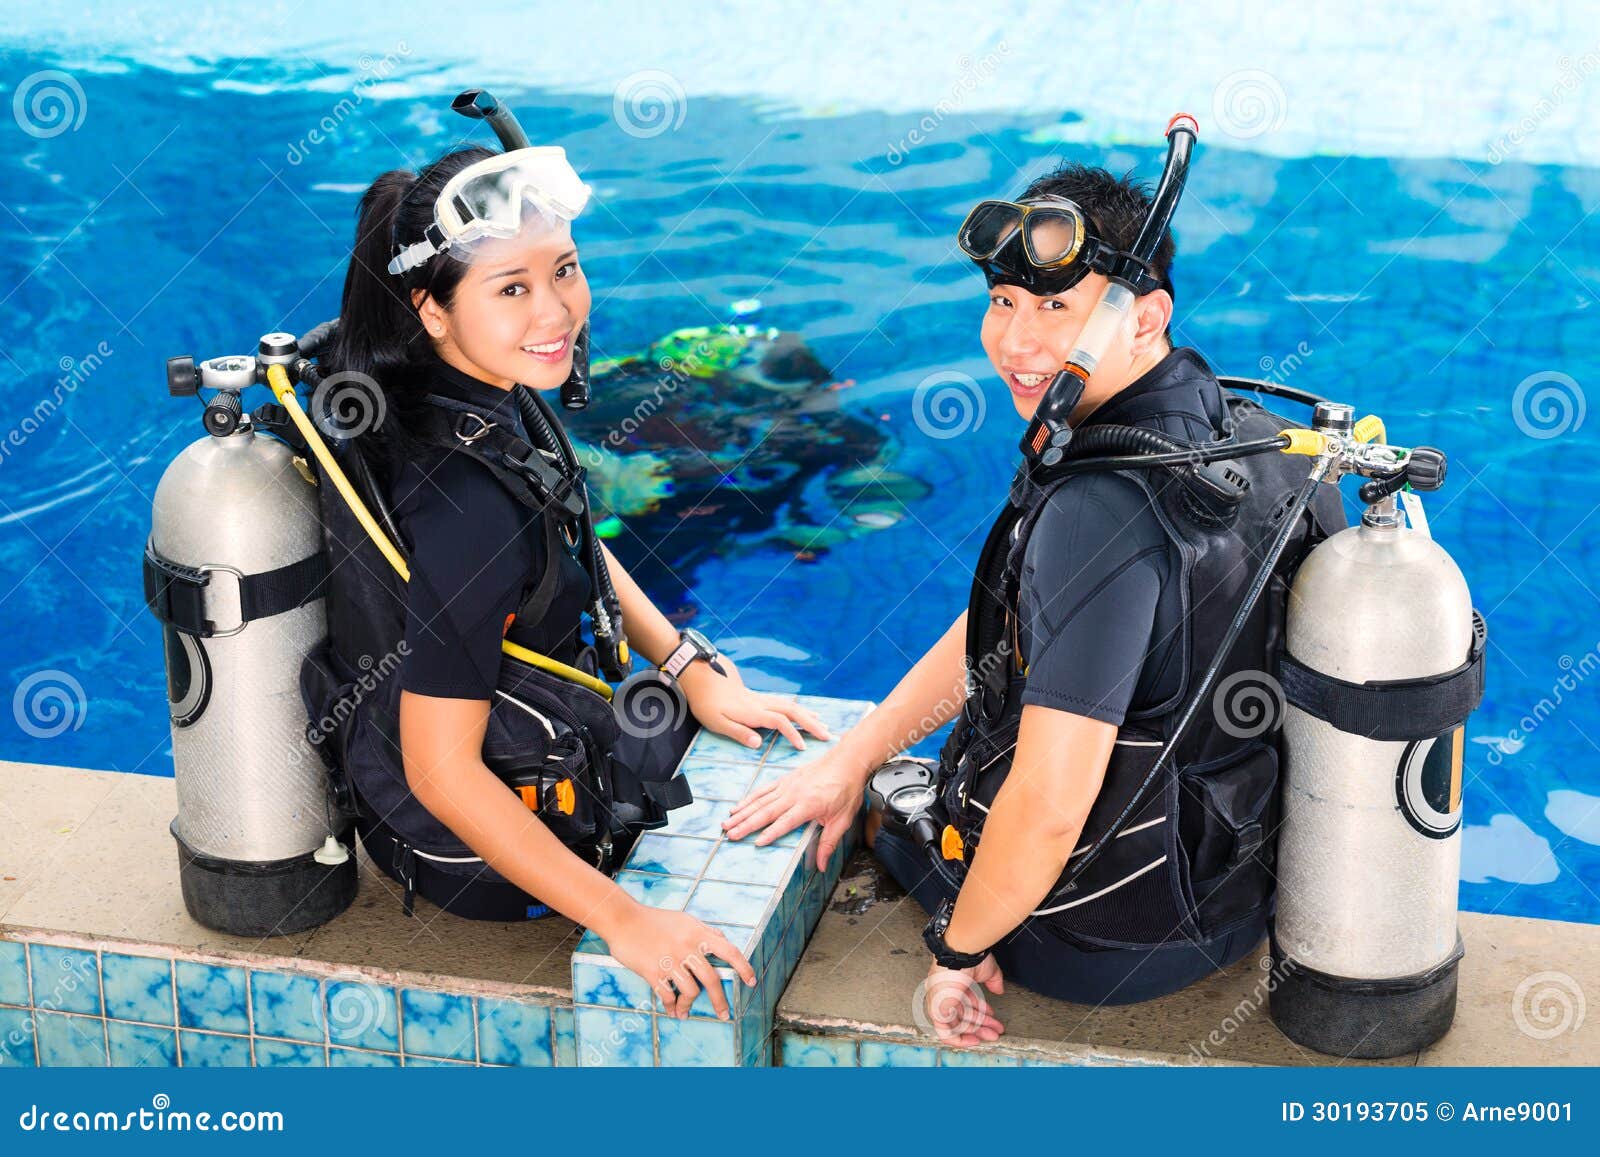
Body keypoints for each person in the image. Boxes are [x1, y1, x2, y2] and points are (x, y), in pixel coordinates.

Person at [726, 161, 1338, 1042]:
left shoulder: (1101, 506)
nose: (1016, 341)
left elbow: (1051, 801)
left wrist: (953, 949)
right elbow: (1010, 626)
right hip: (1230, 903)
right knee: (871, 767)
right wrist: (855, 748)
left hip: (1099, 936)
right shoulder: (1257, 437)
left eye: (1057, 307)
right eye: (1004, 302)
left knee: (884, 809)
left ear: (1148, 316)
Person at [311, 139, 829, 1020]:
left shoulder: (473, 389)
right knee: (812, 809)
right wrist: (625, 920)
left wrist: (687, 669)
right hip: (478, 856)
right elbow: (440, 772)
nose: (556, 311)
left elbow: (570, 527)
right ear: (431, 310)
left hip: (531, 747)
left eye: (565, 270)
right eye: (510, 288)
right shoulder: (465, 510)